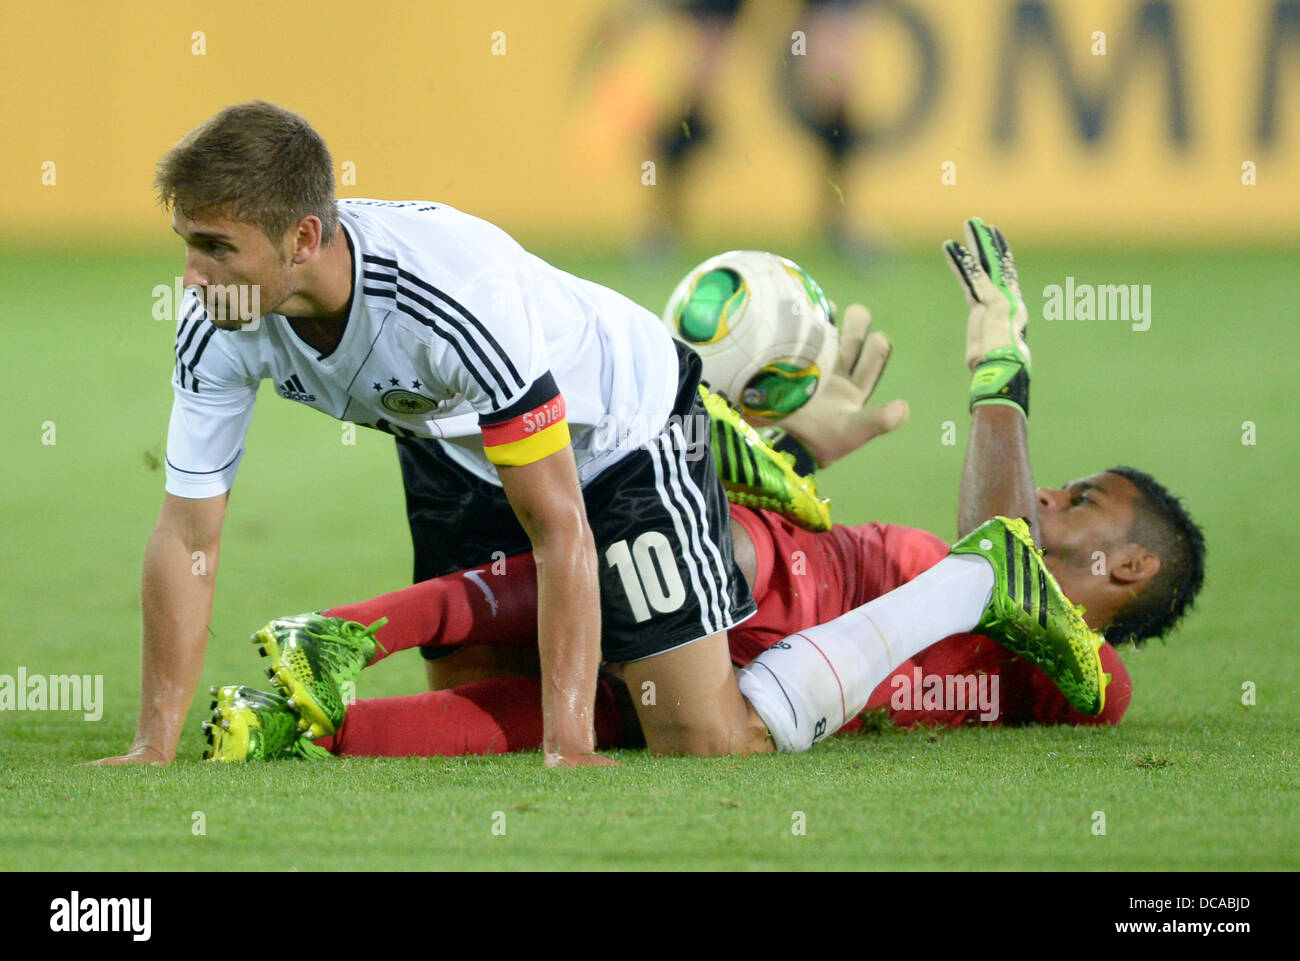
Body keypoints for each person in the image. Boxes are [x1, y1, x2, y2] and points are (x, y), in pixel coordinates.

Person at [201, 219, 1205, 761]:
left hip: (771, 677)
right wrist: (995, 383)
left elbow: (1008, 564)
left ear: (1129, 567)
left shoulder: (1085, 684)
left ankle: (303, 721)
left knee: (544, 711)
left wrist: (1001, 370)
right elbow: (999, 553)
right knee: (653, 584)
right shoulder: (984, 566)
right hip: (787, 578)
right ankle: (353, 628)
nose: (1043, 499)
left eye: (1078, 501)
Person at [93, 100, 772, 767]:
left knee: (701, 737)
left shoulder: (449, 297)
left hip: (620, 434)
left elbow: (561, 524)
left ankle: (773, 575)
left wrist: (569, 744)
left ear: (301, 239)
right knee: (480, 712)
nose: (192, 277)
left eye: (216, 248)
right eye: (187, 243)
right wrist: (151, 746)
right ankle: (635, 651)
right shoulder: (217, 313)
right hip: (450, 437)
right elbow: (187, 533)